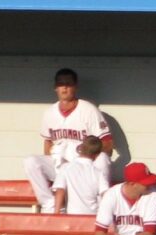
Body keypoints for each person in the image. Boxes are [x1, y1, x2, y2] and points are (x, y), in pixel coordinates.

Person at [23, 68, 113, 213]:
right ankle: (50, 204)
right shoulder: (49, 113)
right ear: (55, 88)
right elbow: (48, 143)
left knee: (103, 158)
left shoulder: (89, 110)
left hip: (85, 164)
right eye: (61, 84)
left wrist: (89, 154)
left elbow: (108, 144)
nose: (64, 87)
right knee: (31, 161)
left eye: (69, 84)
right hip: (61, 164)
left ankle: (101, 206)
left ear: (76, 87)